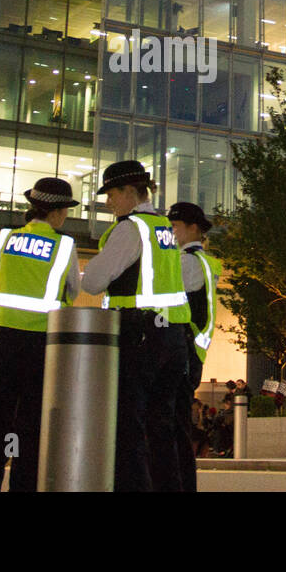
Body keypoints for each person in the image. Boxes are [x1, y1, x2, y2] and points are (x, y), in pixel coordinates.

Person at [81, 160, 190, 491]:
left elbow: (95, 282)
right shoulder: (162, 228)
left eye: (111, 194)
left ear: (130, 191)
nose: (108, 202)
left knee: (128, 425)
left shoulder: (131, 229)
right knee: (162, 427)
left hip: (140, 335)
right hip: (172, 337)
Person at [0, 177, 81, 491]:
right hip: (40, 345)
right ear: (58, 212)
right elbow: (73, 289)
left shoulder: (5, 237)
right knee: (29, 426)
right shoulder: (64, 245)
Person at [167, 201, 221, 492]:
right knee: (177, 423)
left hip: (183, 349)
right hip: (191, 351)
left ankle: (179, 484)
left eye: (176, 227)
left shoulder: (187, 262)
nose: (172, 232)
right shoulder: (202, 261)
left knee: (173, 424)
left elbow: (170, 299)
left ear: (193, 228)